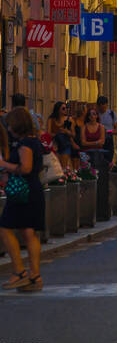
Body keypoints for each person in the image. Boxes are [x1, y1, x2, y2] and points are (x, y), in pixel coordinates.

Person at [0, 108, 45, 291]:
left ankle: (19, 271)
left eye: (10, 124)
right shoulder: (33, 141)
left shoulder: (24, 144)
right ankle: (34, 276)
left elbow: (25, 168)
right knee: (29, 233)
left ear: (17, 124)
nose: (8, 128)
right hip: (33, 190)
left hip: (23, 192)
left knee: (5, 228)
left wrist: (4, 165)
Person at [47, 101, 79, 171]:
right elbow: (48, 133)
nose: (65, 110)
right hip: (55, 144)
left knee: (63, 166)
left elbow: (73, 134)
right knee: (56, 167)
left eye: (66, 108)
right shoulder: (51, 119)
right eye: (63, 108)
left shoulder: (69, 119)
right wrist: (57, 133)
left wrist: (67, 132)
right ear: (58, 109)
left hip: (65, 144)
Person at [96, 95, 117, 162]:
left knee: (108, 158)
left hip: (108, 138)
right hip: (98, 138)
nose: (102, 109)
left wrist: (110, 132)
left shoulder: (112, 114)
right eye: (101, 107)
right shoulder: (95, 114)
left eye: (104, 107)